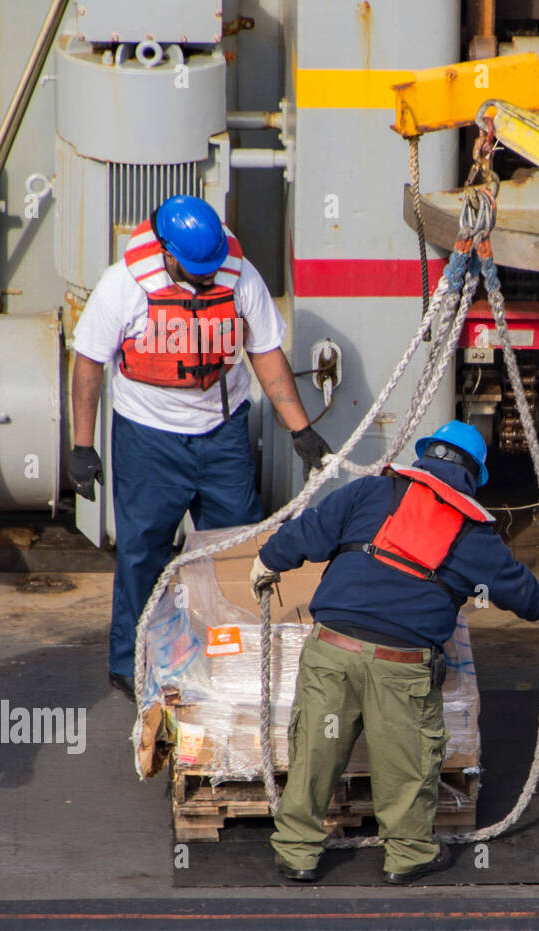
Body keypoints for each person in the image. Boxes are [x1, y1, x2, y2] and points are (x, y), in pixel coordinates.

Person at [250, 420, 539, 884]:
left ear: (425, 457)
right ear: (473, 476)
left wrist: (268, 560)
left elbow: (311, 530)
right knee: (407, 760)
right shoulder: (473, 532)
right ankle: (407, 855)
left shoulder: (368, 491)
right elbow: (515, 588)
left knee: (315, 752)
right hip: (400, 667)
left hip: (332, 651)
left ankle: (298, 851)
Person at [70, 195, 331, 699]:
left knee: (235, 550)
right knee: (142, 553)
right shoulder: (124, 284)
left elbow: (266, 355)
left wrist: (300, 429)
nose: (208, 279)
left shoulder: (240, 276)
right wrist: (82, 446)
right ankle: (130, 661)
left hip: (223, 435)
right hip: (148, 439)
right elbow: (88, 364)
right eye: (197, 271)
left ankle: (235, 653)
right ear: (167, 252)